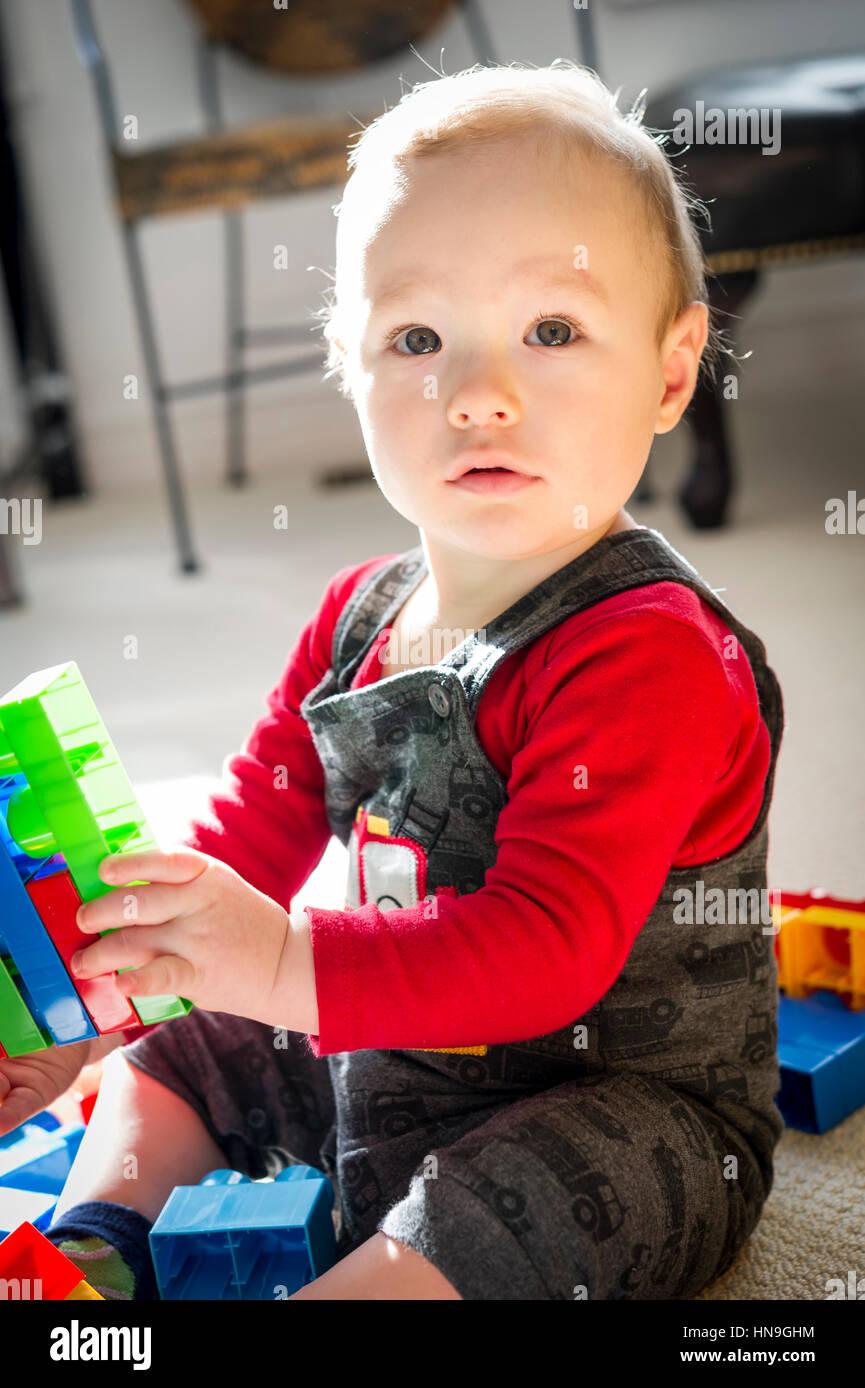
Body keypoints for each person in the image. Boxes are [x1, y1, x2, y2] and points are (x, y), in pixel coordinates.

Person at [2, 60, 784, 1301]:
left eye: (553, 330)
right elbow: (242, 842)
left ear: (673, 371)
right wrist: (100, 1013)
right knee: (195, 1037)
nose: (479, 394)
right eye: (417, 338)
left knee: (517, 1200)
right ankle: (96, 1243)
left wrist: (278, 959)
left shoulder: (653, 652)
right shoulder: (357, 613)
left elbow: (549, 948)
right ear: (348, 365)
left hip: (617, 1097)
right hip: (399, 1048)